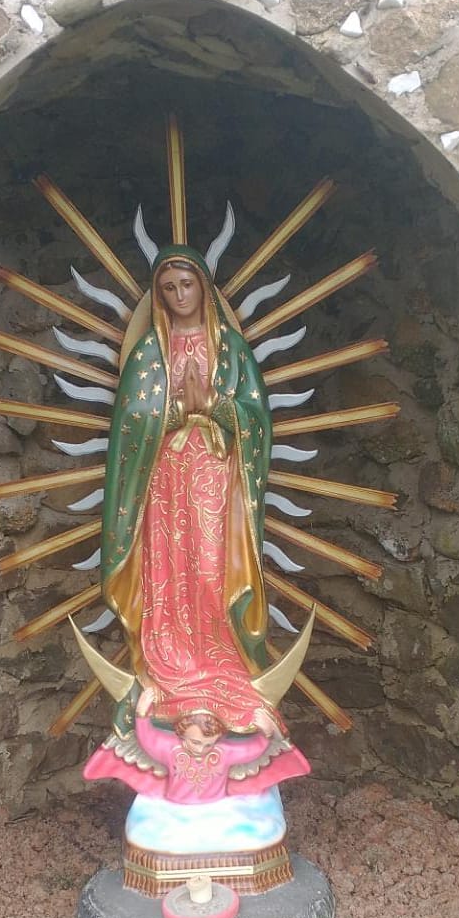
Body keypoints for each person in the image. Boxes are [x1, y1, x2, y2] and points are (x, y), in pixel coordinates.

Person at [99, 245, 280, 742]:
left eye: (187, 285)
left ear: (204, 287)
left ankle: (225, 674)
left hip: (218, 484)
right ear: (158, 296)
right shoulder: (147, 354)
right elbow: (130, 424)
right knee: (167, 573)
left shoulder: (233, 353)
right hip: (161, 485)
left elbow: (257, 417)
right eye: (169, 288)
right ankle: (171, 675)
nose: (179, 296)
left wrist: (219, 408)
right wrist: (171, 412)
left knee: (210, 572)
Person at [83, 684, 310, 800]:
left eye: (207, 744)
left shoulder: (223, 752)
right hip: (177, 808)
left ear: (218, 739)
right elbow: (147, 739)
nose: (200, 749)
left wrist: (267, 732)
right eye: (194, 742)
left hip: (214, 808)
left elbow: (253, 750)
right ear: (181, 735)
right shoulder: (171, 749)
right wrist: (142, 713)